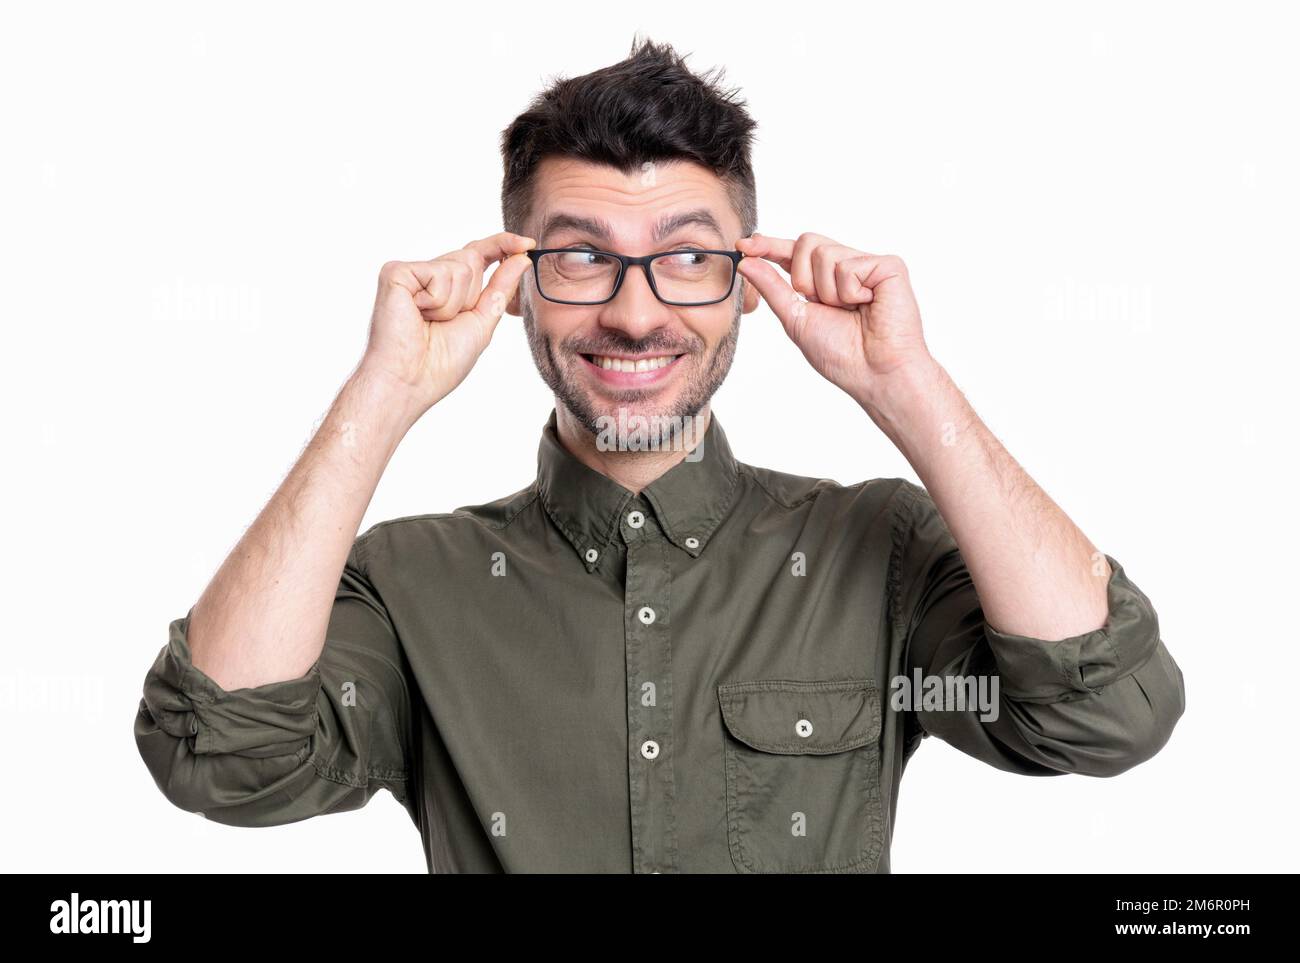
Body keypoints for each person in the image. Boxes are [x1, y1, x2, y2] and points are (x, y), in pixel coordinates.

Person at [133, 36, 1185, 873]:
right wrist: (382, 393)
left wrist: (902, 384)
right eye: (581, 255)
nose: (635, 314)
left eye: (687, 256)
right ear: (515, 281)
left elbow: (1105, 714)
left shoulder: (881, 550)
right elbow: (217, 758)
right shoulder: (406, 585)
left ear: (745, 279)